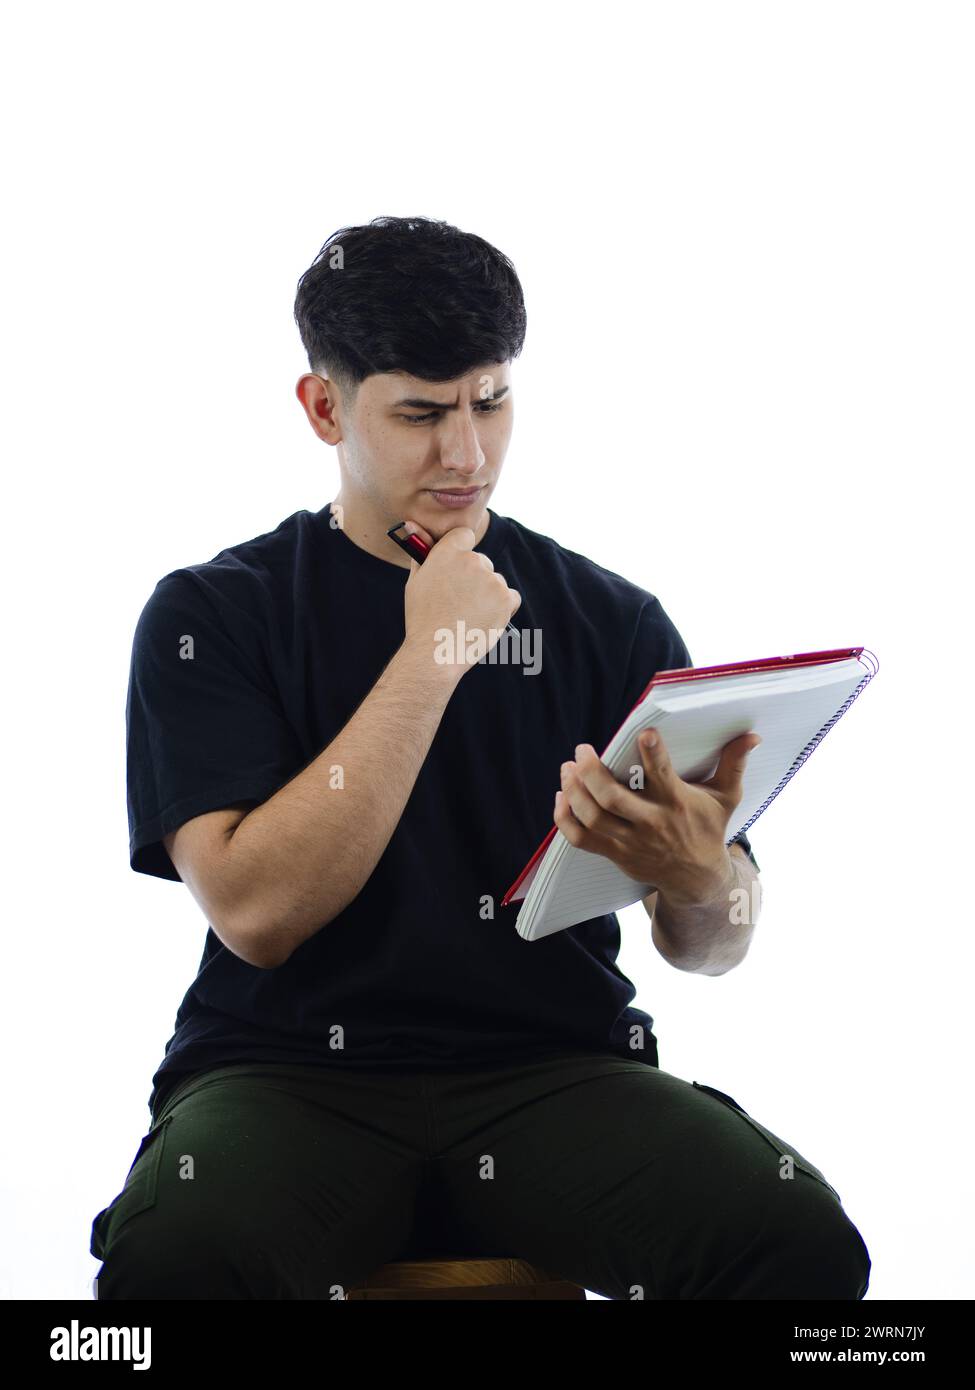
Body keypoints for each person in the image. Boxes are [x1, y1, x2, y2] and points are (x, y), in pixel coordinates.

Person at [90, 216, 870, 1300]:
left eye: (490, 402)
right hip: (287, 1073)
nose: (467, 453)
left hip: (551, 1071)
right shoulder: (215, 614)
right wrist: (432, 656)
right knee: (174, 1260)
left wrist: (705, 882)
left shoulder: (610, 619)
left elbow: (713, 946)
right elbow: (257, 915)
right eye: (420, 411)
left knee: (796, 1238)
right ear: (325, 409)